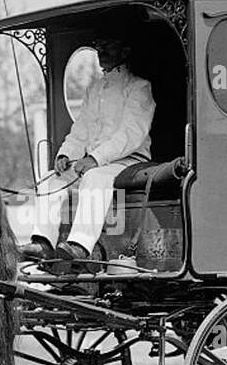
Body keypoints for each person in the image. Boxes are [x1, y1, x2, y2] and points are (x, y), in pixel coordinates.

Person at [20, 29, 155, 266]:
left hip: (129, 161)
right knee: (51, 179)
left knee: (95, 177)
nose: (102, 52)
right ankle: (43, 243)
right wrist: (66, 154)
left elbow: (131, 134)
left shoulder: (139, 87)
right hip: (96, 161)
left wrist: (94, 158)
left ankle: (80, 246)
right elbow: (80, 131)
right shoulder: (95, 89)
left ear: (125, 52)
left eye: (108, 46)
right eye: (99, 47)